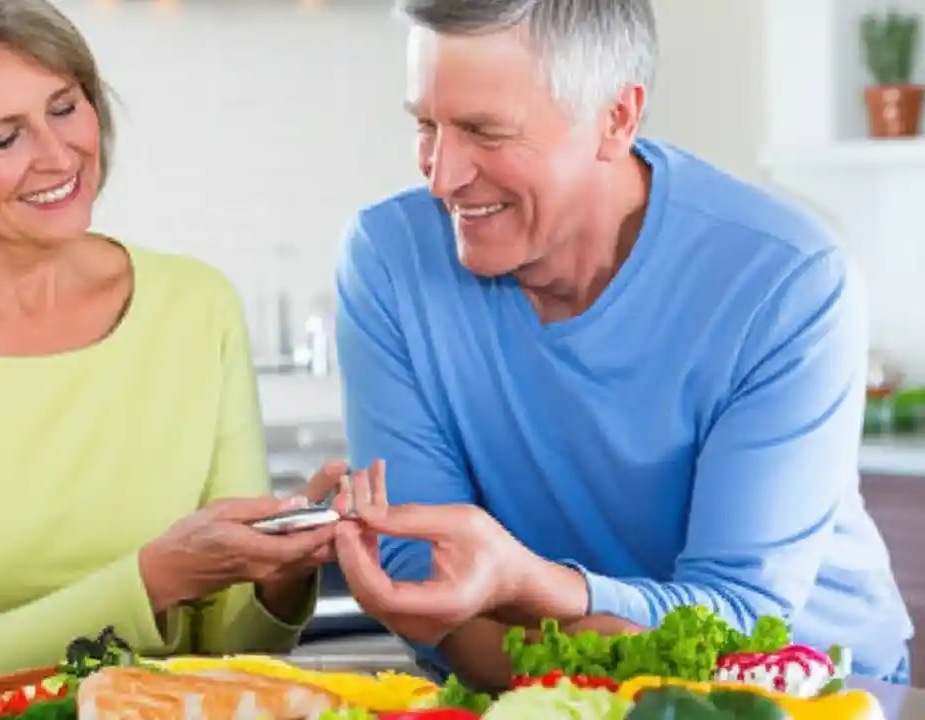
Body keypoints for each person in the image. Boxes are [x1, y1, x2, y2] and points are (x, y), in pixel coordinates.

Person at [332, 0, 913, 692]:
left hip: (806, 689)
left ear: (617, 118)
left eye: (485, 132)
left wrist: (527, 586)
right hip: (533, 689)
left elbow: (734, 624)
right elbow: (423, 583)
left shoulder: (782, 280)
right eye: (426, 125)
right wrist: (552, 663)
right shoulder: (389, 261)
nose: (441, 176)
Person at [0, 1, 341, 717]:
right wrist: (153, 579)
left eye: (64, 107)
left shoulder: (195, 306)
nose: (58, 155)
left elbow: (229, 654)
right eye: (6, 137)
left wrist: (279, 571)